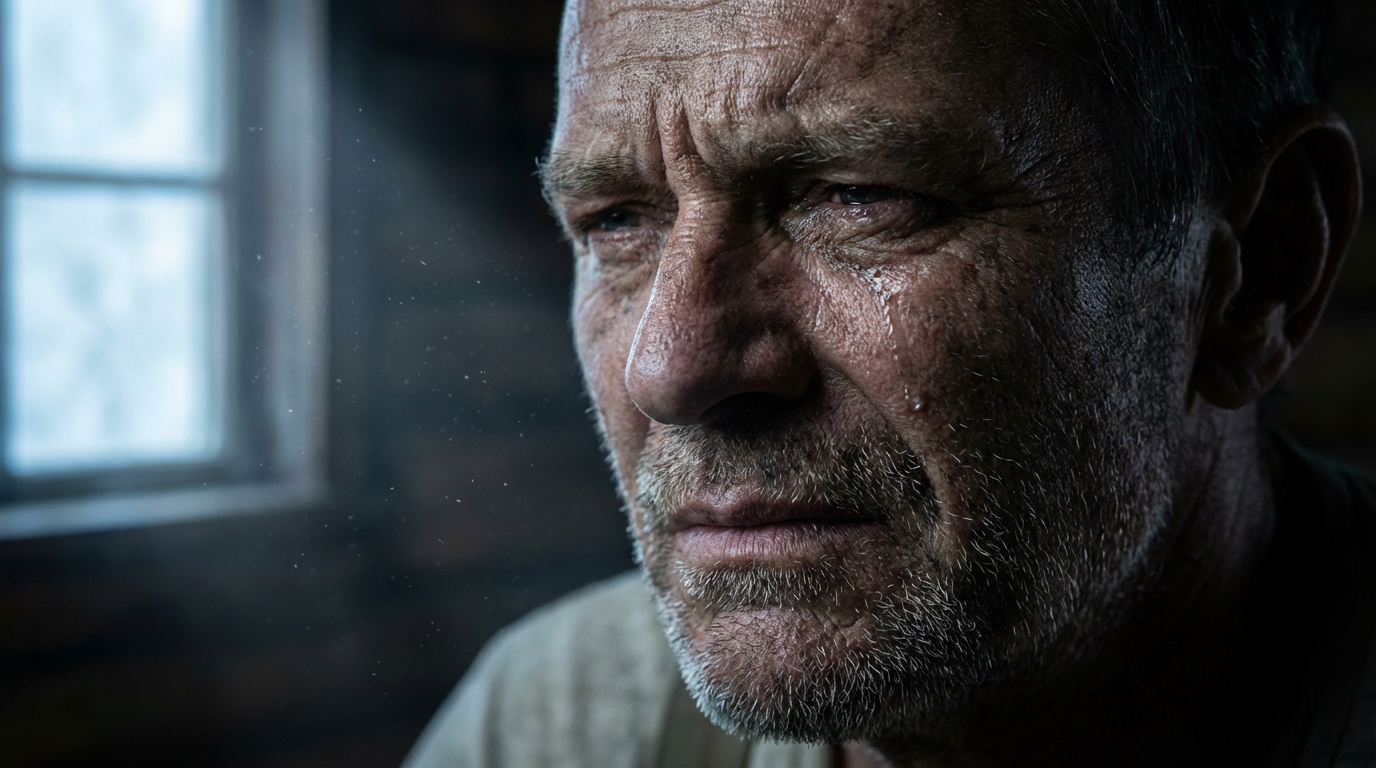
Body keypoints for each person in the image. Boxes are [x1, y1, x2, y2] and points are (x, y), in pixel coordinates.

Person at [404, 0, 1376, 765]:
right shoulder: (552, 725)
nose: (667, 369)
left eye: (856, 195)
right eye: (616, 220)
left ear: (1257, 268)